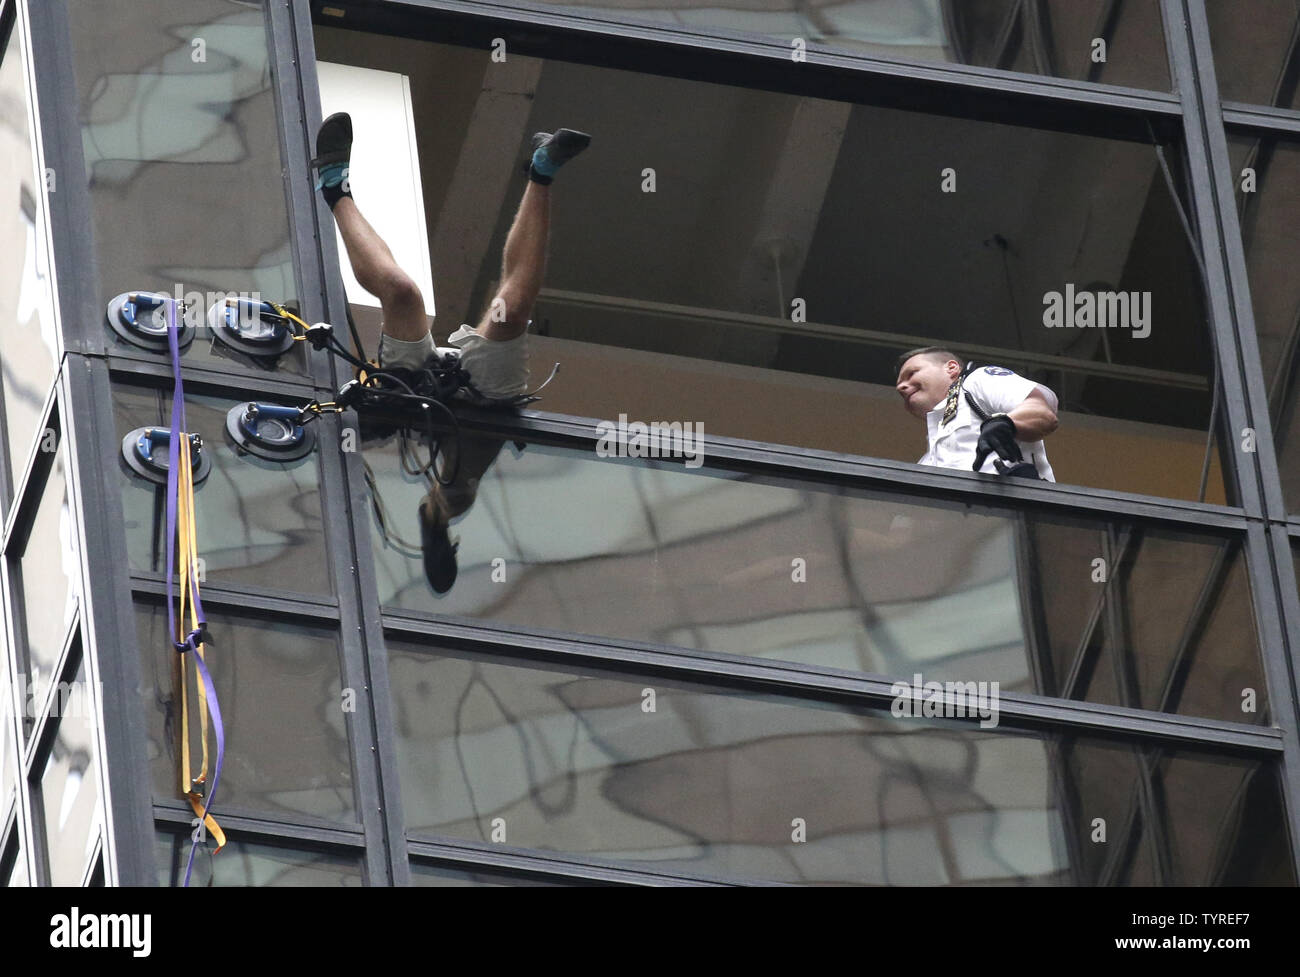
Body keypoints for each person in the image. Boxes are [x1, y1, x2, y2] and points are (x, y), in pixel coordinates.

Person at [312, 112, 590, 593]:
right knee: (510, 310)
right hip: (477, 397)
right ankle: (540, 171)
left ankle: (333, 189)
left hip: (422, 397)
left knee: (402, 296)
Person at [894, 346, 1059, 480]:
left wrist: (1007, 424)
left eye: (911, 373)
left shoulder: (976, 381)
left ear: (951, 368)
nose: (900, 387)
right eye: (900, 385)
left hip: (1018, 514)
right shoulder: (928, 460)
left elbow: (1042, 410)